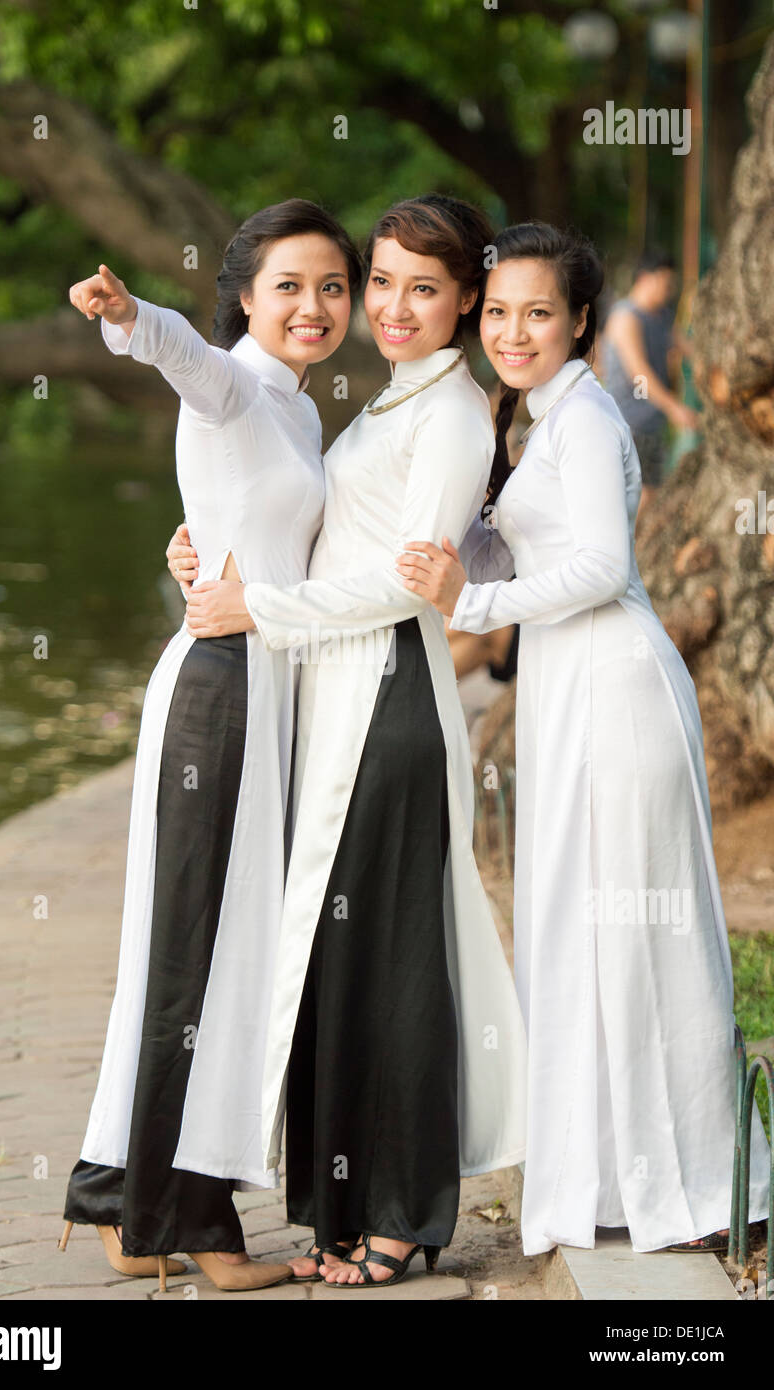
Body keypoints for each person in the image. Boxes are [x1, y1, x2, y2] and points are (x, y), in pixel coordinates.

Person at [396, 220, 770, 1258]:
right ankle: (611, 1181)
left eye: (539, 313)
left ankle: (697, 1188)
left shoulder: (591, 418)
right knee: (580, 934)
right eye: (501, 311)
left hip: (618, 690)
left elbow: (602, 566)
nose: (516, 331)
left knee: (642, 937)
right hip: (569, 696)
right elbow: (517, 541)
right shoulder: (535, 423)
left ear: (581, 323)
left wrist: (474, 600)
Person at [176, 195, 527, 1288]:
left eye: (423, 287)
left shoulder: (454, 415)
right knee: (337, 960)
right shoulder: (383, 407)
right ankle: (335, 1207)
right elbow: (311, 531)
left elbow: (402, 583)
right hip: (325, 701)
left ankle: (407, 1216)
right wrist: (203, 558)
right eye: (381, 281)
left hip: (390, 704)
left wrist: (261, 614)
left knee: (395, 963)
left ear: (468, 298)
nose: (393, 305)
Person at [57, 199, 362, 1292]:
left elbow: (263, 540)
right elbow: (183, 359)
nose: (313, 307)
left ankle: (120, 1198)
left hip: (266, 684)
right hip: (220, 695)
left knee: (194, 945)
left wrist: (195, 555)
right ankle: (188, 1219)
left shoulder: (303, 417)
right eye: (288, 285)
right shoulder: (232, 382)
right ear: (245, 294)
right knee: (198, 948)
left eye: (332, 285)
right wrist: (128, 317)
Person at [600, 250, 698, 517]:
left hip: (652, 427)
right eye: (665, 284)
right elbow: (639, 374)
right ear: (645, 279)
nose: (669, 291)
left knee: (650, 494)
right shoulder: (625, 317)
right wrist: (674, 408)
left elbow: (688, 348)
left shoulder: (662, 317)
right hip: (628, 424)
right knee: (637, 497)